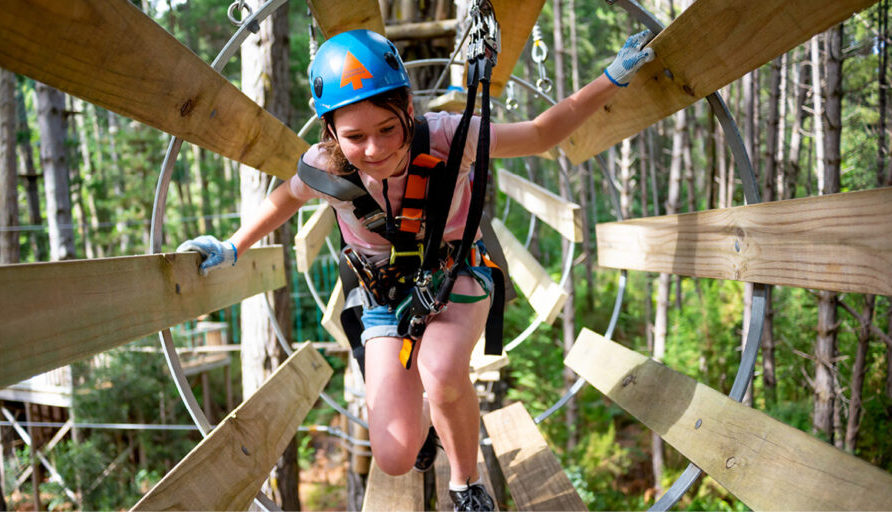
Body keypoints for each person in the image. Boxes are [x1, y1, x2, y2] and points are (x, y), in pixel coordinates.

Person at [177, 28, 654, 511]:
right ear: (330, 132)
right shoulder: (327, 167)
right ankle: (428, 415)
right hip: (385, 301)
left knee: (441, 368)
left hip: (456, 273)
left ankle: (465, 484)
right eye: (355, 137)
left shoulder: (449, 137)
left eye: (388, 128)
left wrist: (610, 80)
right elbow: (286, 197)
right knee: (395, 455)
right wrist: (233, 246)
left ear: (408, 107)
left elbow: (538, 134)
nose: (374, 149)